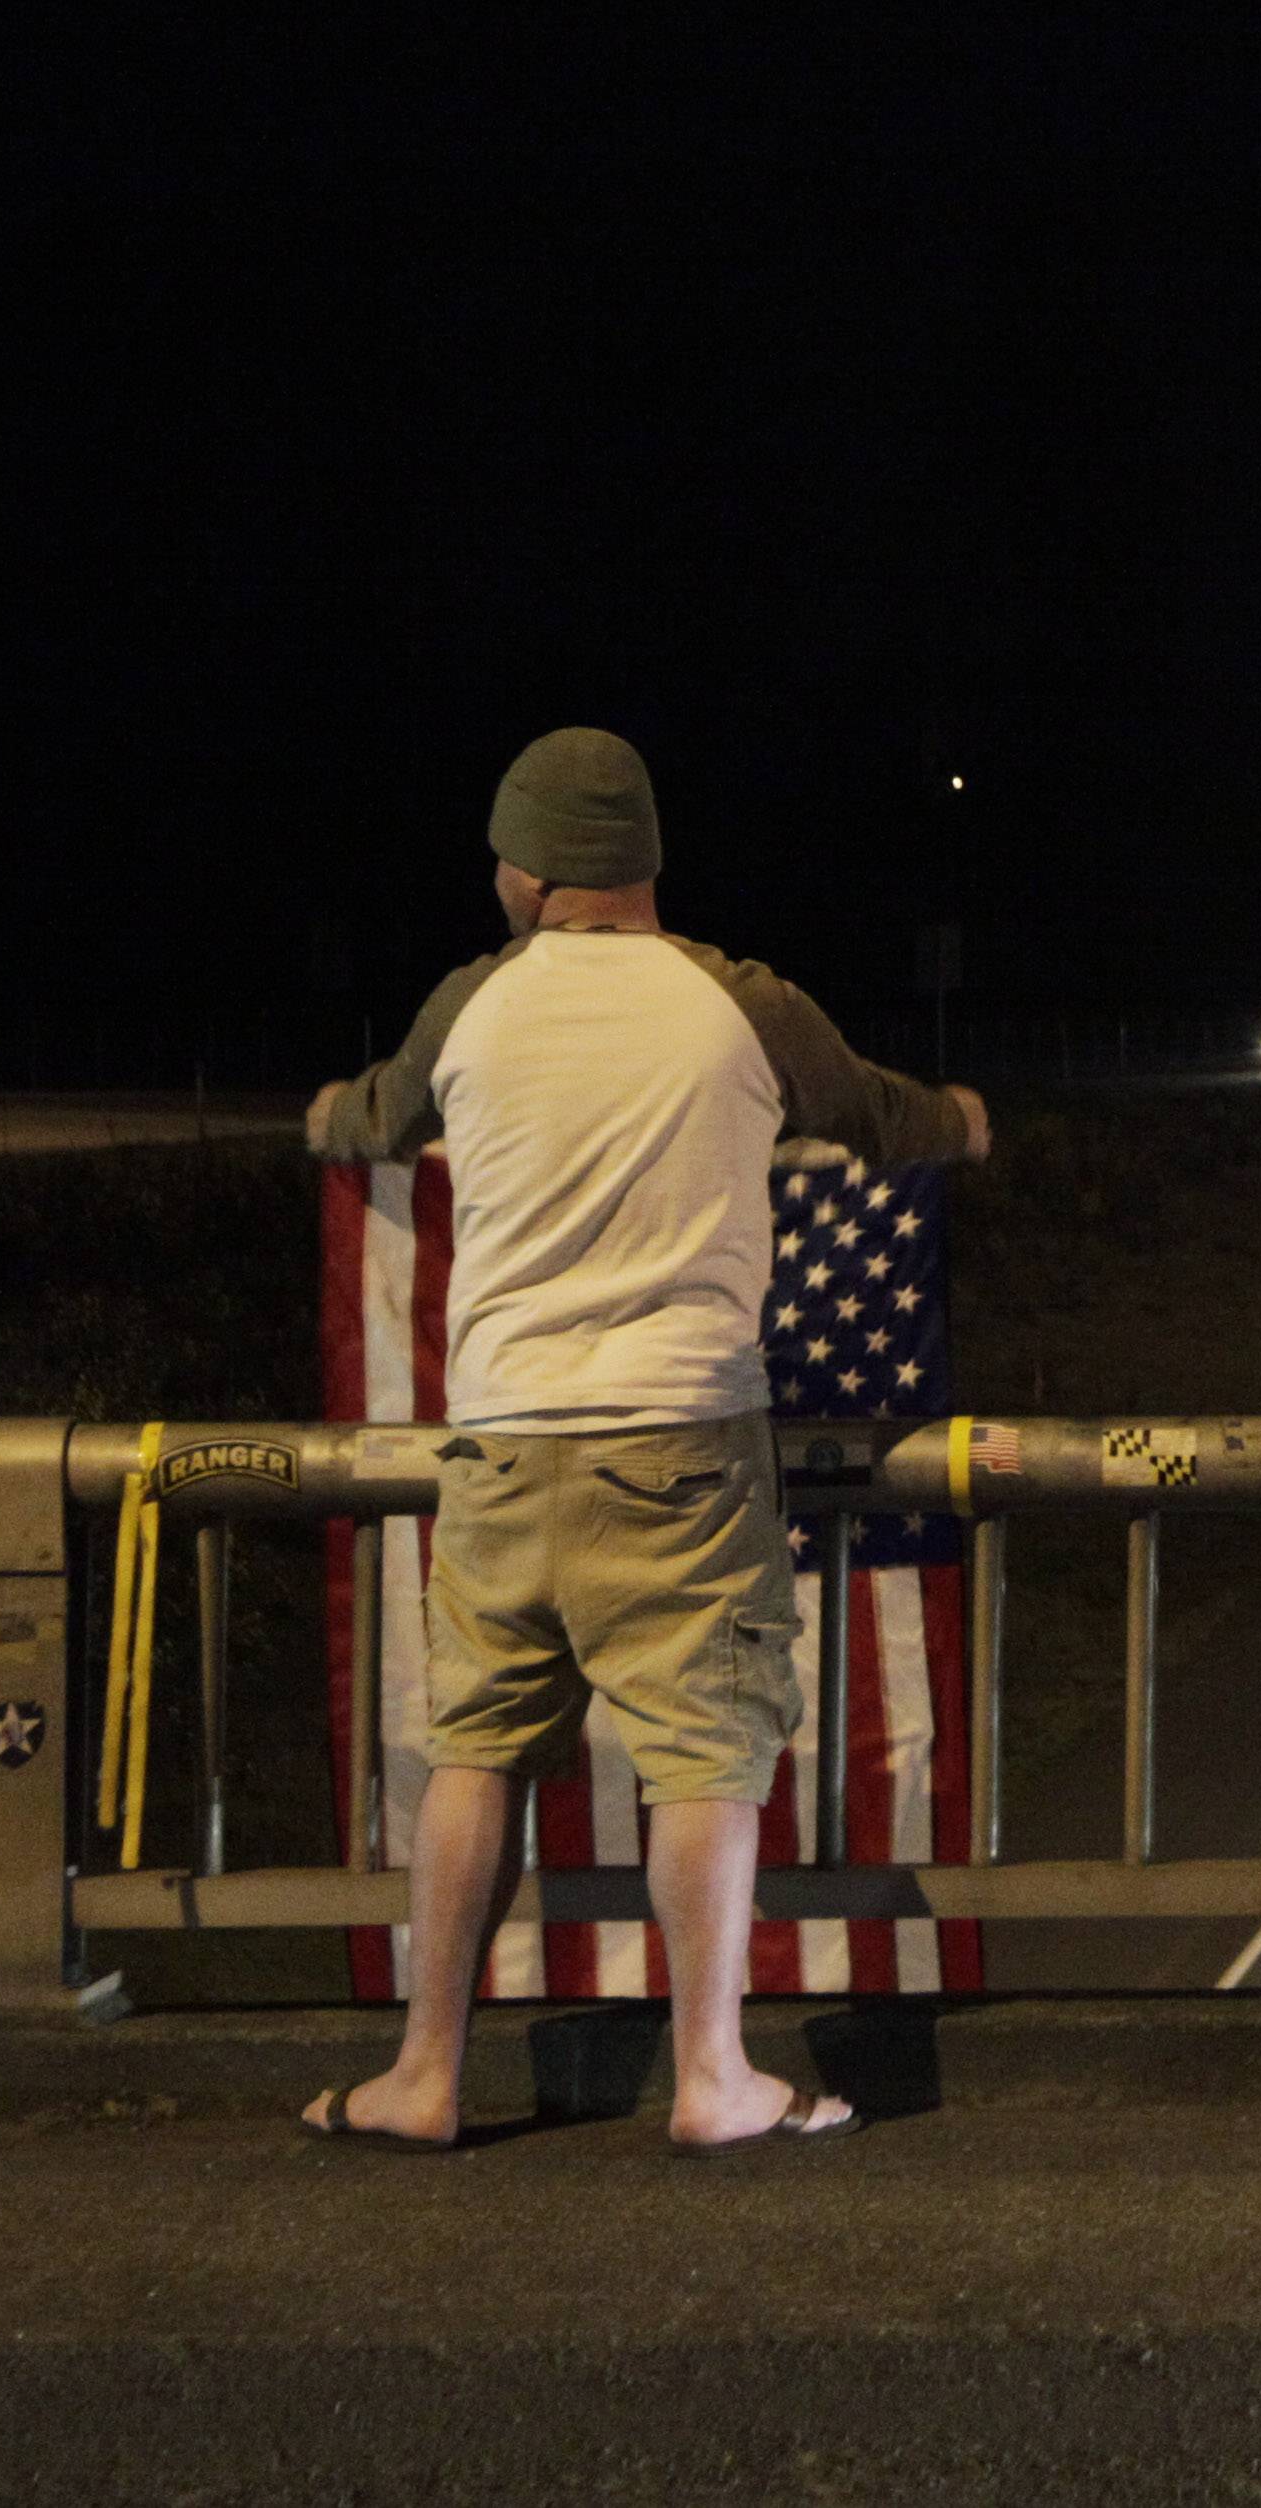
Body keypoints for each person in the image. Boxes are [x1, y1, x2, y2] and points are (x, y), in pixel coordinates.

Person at [295, 727, 986, 2154]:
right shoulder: (740, 1002)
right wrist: (965, 1124)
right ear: (645, 864)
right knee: (703, 1753)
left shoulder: (470, 1005)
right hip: (681, 1438)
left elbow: (379, 1117)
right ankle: (712, 2075)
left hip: (500, 1442)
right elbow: (878, 1114)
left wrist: (323, 1119)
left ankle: (424, 2075)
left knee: (477, 1752)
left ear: (528, 871)